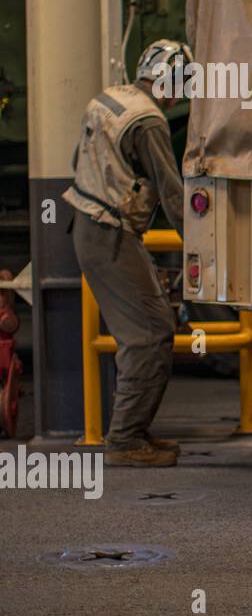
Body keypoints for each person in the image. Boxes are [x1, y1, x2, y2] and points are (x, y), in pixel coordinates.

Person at [64, 40, 190, 467]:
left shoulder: (109, 99)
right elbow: (173, 194)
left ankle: (133, 430)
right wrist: (202, 243)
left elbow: (79, 161)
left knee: (145, 329)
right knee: (151, 331)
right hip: (110, 233)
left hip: (88, 226)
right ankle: (124, 440)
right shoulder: (149, 121)